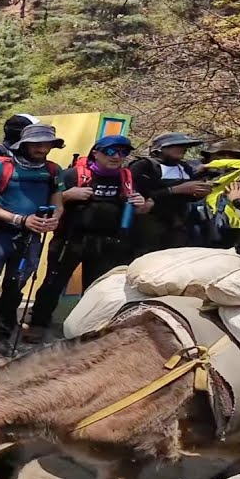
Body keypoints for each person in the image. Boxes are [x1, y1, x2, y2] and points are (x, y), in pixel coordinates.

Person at [24, 135, 149, 340]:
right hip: (70, 239)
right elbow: (47, 200)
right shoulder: (72, 175)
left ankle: (89, 328)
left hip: (107, 242)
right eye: (111, 151)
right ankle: (38, 323)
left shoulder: (127, 178)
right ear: (96, 153)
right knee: (53, 283)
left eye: (123, 152)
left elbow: (142, 209)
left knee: (97, 288)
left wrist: (140, 204)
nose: (117, 156)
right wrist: (67, 195)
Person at [0, 123, 65, 357]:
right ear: (24, 144)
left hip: (31, 237)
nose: (42, 148)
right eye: (37, 143)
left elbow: (58, 203)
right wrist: (20, 219)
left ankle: (3, 335)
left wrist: (53, 220)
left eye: (47, 143)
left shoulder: (53, 170)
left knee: (15, 287)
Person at [129, 133, 210, 256]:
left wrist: (199, 192)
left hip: (179, 221)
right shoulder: (144, 166)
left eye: (184, 146)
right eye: (175, 146)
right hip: (151, 222)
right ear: (160, 148)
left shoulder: (184, 167)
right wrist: (175, 190)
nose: (181, 149)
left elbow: (188, 196)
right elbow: (137, 194)